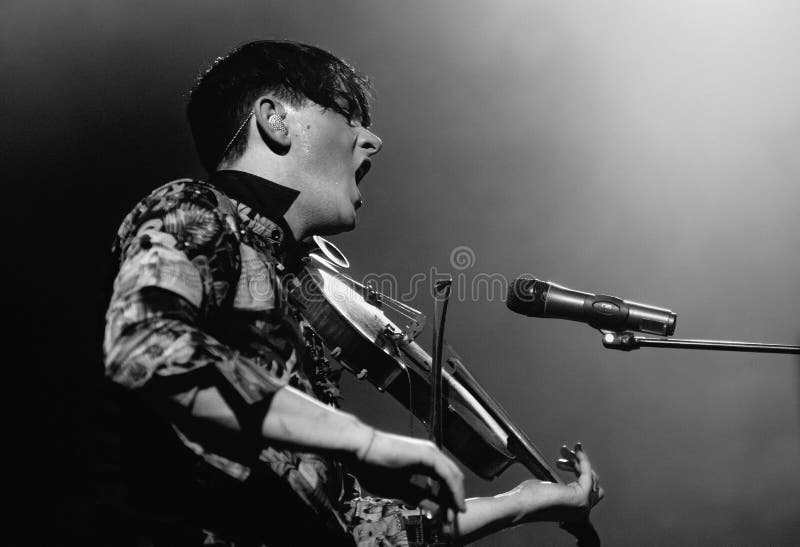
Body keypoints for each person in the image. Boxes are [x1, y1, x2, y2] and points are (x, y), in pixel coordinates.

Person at [103, 40, 603, 546]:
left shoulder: (292, 288)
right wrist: (362, 440)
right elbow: (146, 347)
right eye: (348, 116)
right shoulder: (193, 208)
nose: (373, 141)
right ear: (275, 121)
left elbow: (353, 529)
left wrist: (520, 503)